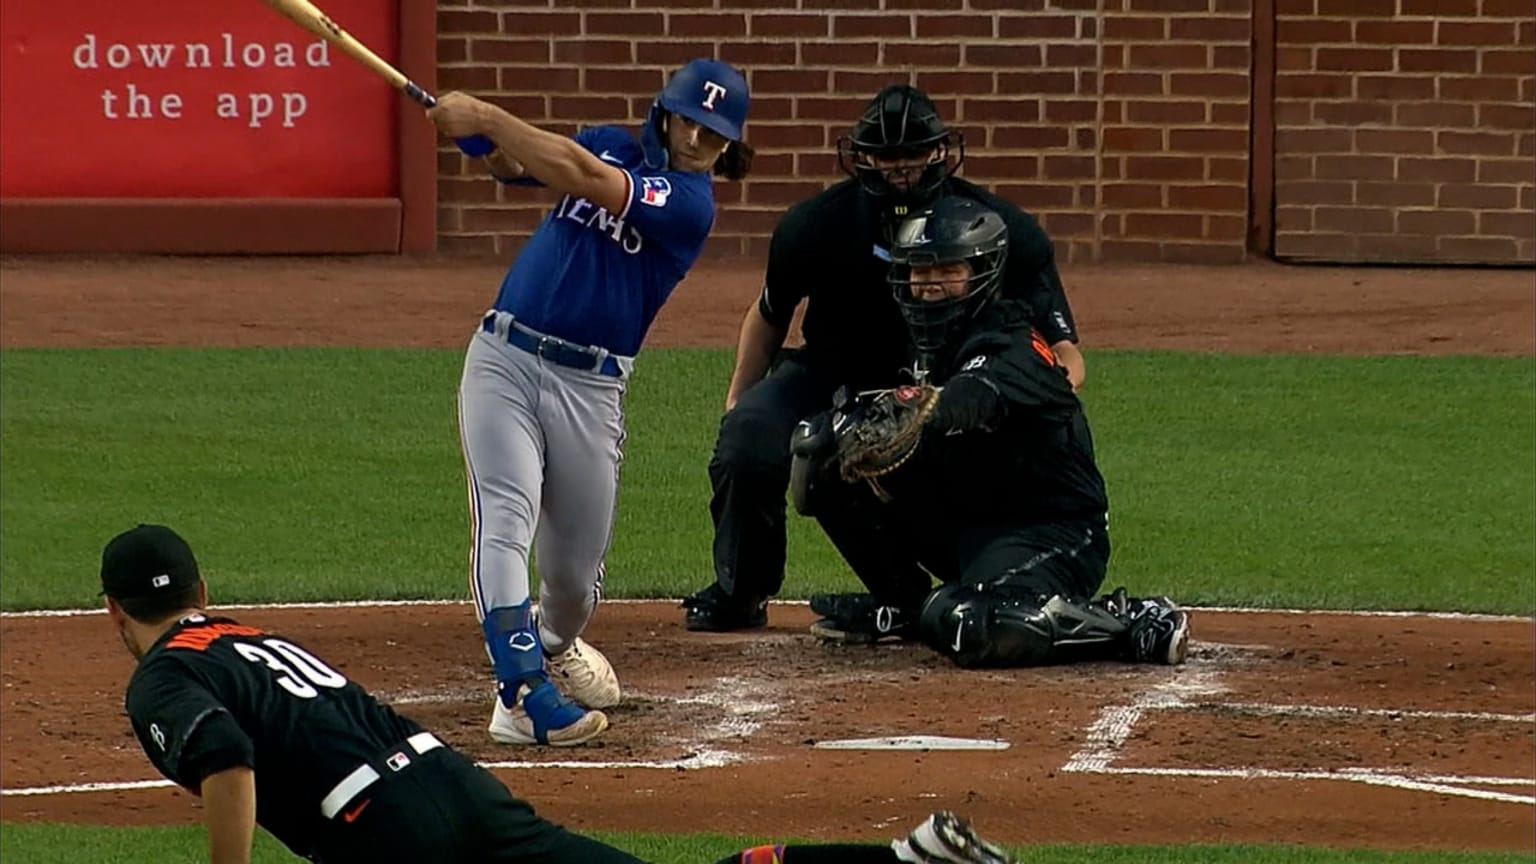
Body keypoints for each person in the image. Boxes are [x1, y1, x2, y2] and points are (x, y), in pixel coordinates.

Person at [101, 523, 1017, 864]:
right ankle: (905, 860)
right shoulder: (249, 638)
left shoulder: (164, 675)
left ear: (114, 612)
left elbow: (225, 758)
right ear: (203, 591)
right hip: (455, 784)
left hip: (380, 832)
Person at [425, 58, 752, 746]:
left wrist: (487, 116)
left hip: (591, 389)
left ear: (729, 146)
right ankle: (521, 695)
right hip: (504, 359)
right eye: (689, 122)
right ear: (665, 113)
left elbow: (580, 175)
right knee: (505, 517)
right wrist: (480, 141)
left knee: (573, 580)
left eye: (715, 135)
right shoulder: (608, 141)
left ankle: (551, 642)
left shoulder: (691, 203)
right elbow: (518, 168)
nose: (697, 140)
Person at [683, 84, 1085, 632]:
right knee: (748, 440)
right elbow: (769, 312)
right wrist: (739, 397)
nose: (901, 168)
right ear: (863, 158)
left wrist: (1018, 402)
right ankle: (741, 591)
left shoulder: (999, 227)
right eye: (887, 156)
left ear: (940, 151)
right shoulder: (815, 224)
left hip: (944, 384)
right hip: (833, 368)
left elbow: (1063, 352)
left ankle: (917, 595)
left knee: (932, 454)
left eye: (913, 153)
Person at [786, 197, 1190, 668]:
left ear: (982, 273)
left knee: (975, 624)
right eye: (920, 271)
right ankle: (906, 605)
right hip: (965, 520)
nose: (929, 285)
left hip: (1048, 532)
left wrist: (923, 411)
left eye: (948, 270)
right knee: (823, 449)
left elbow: (971, 396)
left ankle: (1129, 622)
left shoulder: (1014, 343)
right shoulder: (915, 342)